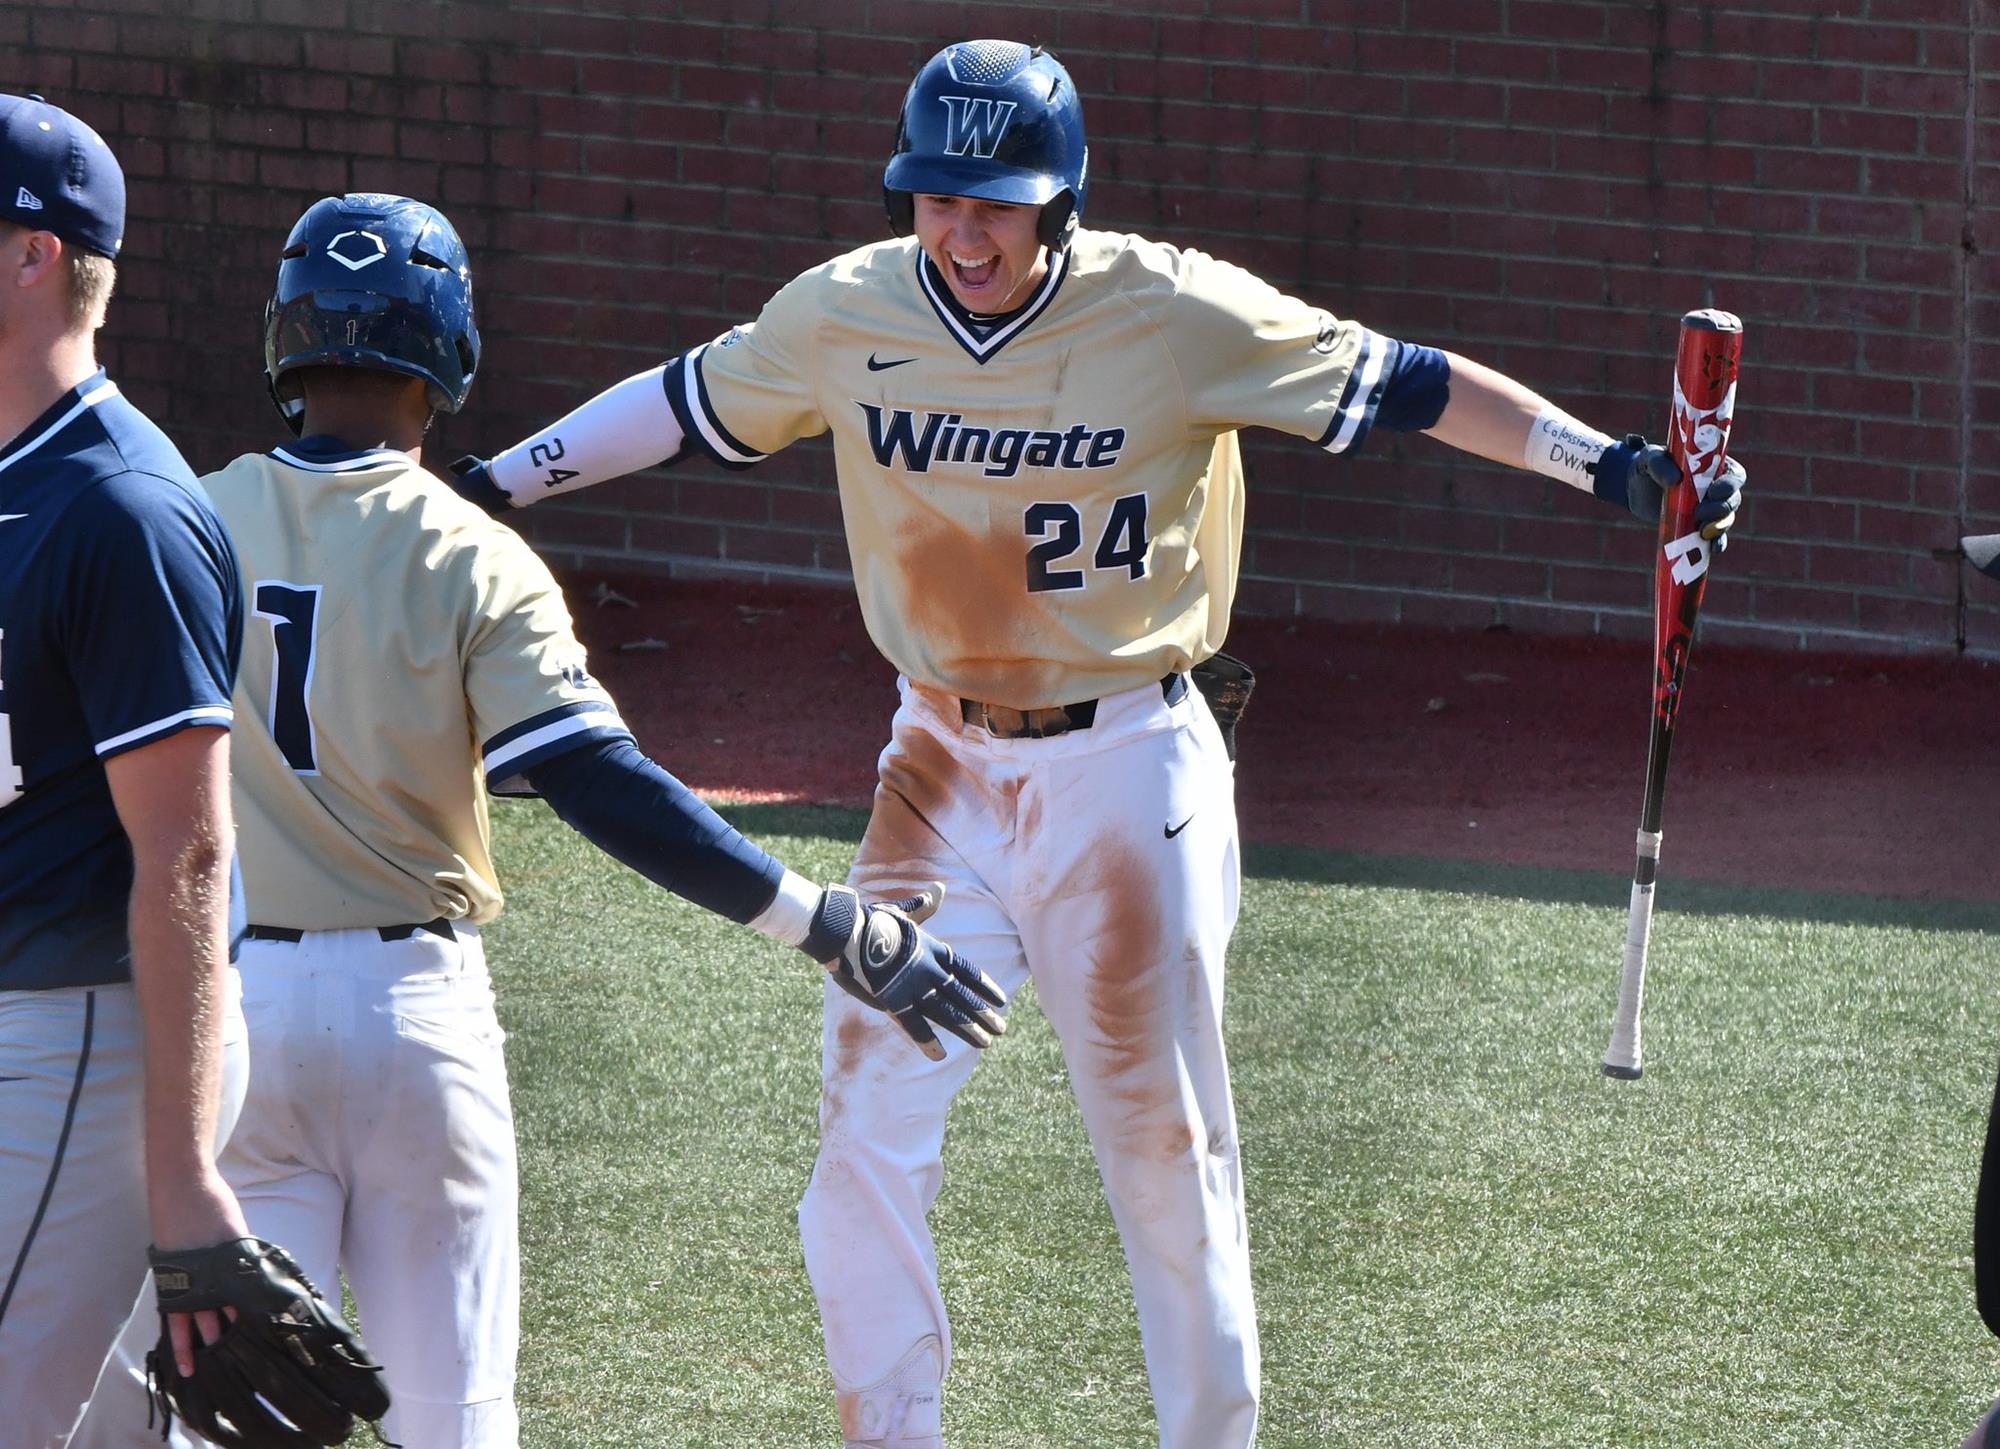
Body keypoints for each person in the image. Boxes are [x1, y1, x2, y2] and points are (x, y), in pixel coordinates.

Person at [447, 41, 1743, 1449]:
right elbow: (683, 402)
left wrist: (1613, 468)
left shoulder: (1176, 310)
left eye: (995, 203)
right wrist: (489, 489)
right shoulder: (847, 310)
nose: (962, 231)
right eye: (936, 198)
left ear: (1058, 203)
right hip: (932, 768)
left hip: (1128, 770)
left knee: (1167, 1162)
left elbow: (1409, 385)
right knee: (863, 1140)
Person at [77, 191, 1007, 1449]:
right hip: (414, 1024)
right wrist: (826, 923)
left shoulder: (183, 515)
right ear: (450, 352)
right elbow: (595, 780)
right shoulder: (475, 553)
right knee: (453, 1422)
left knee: (238, 1425)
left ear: (284, 343)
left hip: (227, 1027)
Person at [0, 92, 267, 1446]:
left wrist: (183, 1173)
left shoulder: (123, 510)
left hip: (79, 1040)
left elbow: (187, 851)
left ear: (33, 253)